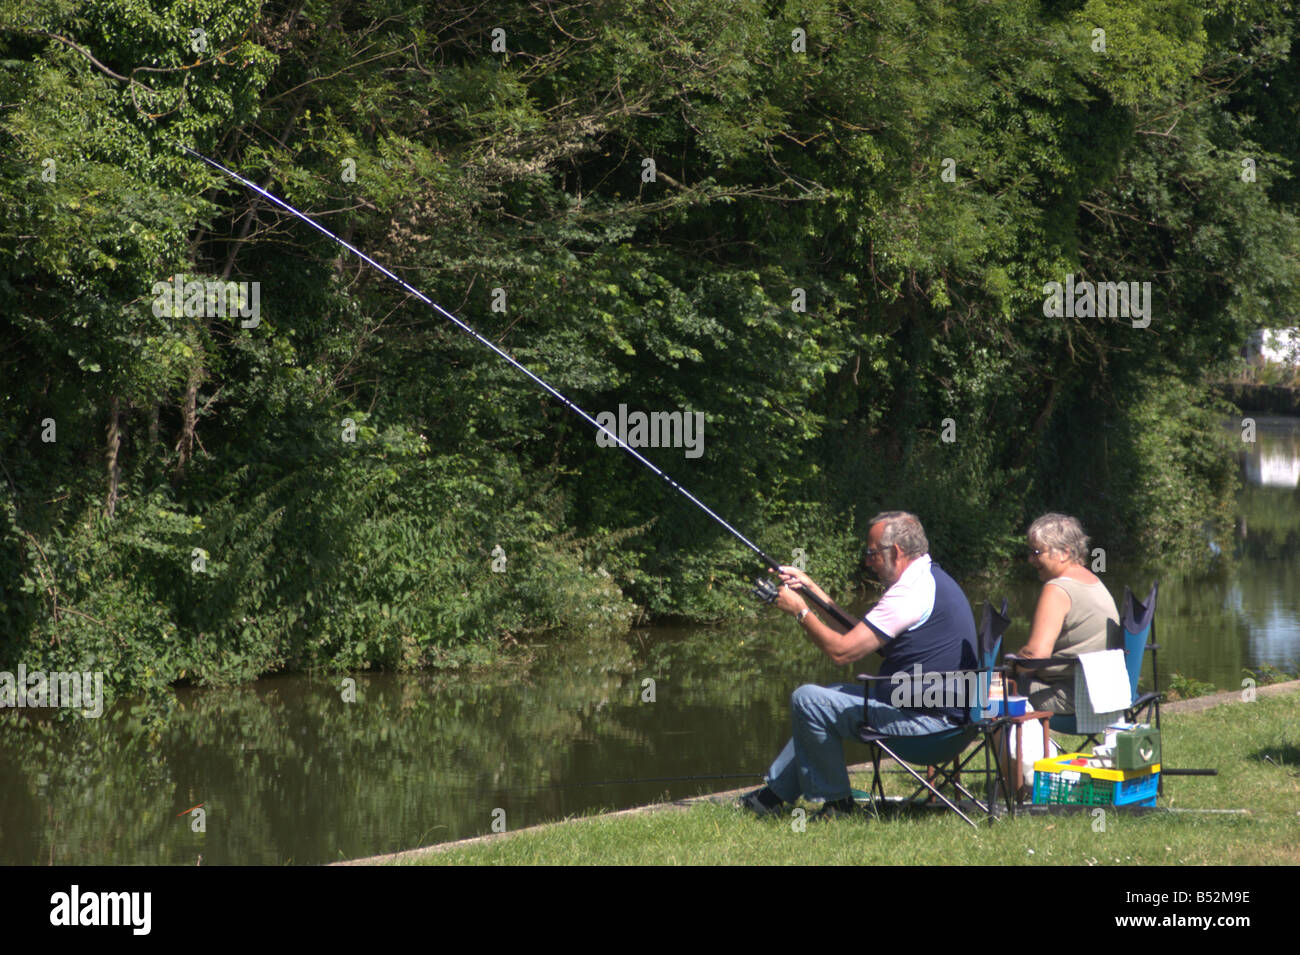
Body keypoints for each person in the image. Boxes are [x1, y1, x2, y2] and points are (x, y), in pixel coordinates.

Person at [740, 511, 977, 818]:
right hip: (953, 719)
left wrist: (800, 611)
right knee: (829, 695)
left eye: (872, 554)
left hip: (928, 728)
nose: (868, 562)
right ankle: (772, 796)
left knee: (808, 699)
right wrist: (812, 593)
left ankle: (837, 805)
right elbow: (863, 635)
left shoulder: (908, 593)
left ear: (896, 552)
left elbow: (842, 652)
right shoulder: (929, 578)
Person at [1000, 513, 1120, 794]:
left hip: (1075, 696)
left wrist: (1008, 669)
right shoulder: (1092, 581)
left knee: (992, 699)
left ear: (1065, 552)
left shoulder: (1057, 588)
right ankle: (1039, 769)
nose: (1030, 559)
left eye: (1036, 552)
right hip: (1104, 692)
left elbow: (1035, 655)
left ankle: (1019, 789)